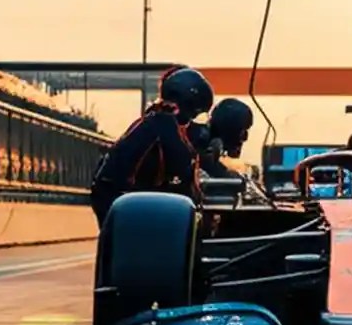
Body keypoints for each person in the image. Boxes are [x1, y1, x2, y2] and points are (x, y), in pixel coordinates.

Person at [89, 66, 213, 230]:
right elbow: (182, 177)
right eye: (194, 114)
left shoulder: (149, 123)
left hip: (118, 207)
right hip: (137, 216)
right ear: (189, 107)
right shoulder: (165, 130)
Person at [189, 97, 254, 179]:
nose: (245, 138)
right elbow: (212, 169)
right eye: (243, 131)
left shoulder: (204, 138)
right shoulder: (200, 144)